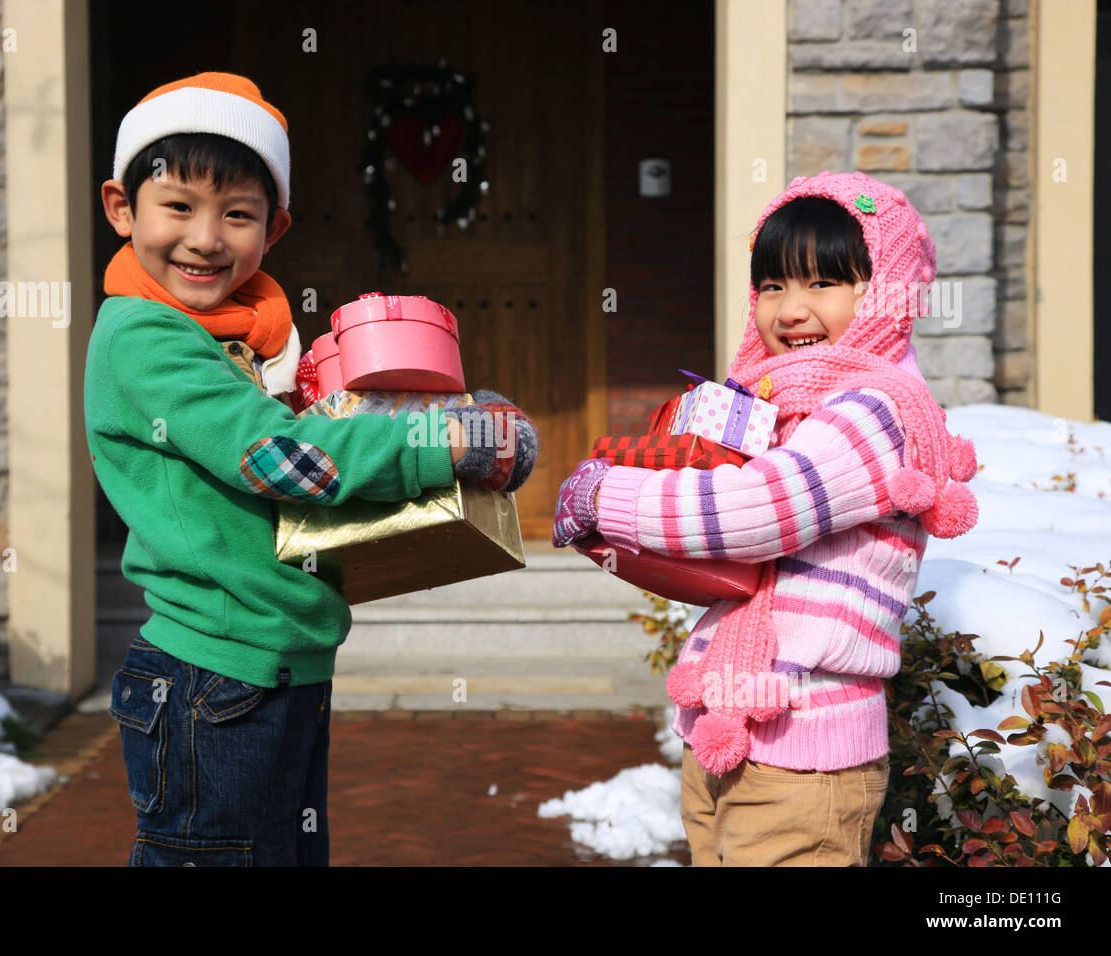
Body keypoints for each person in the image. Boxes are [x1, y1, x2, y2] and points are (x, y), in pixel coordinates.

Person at [84, 72, 538, 866]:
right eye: (178, 206)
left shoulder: (240, 338)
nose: (205, 237)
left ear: (274, 227)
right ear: (123, 209)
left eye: (237, 214)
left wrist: (434, 414)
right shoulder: (146, 339)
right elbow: (279, 458)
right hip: (210, 678)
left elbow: (305, 433)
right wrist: (444, 441)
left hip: (270, 663)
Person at [551, 170, 979, 866]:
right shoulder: (781, 406)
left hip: (804, 757)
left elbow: (760, 509)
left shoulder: (876, 411)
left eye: (824, 283)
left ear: (889, 294)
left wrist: (607, 497)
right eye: (774, 285)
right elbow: (729, 560)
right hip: (722, 738)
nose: (790, 309)